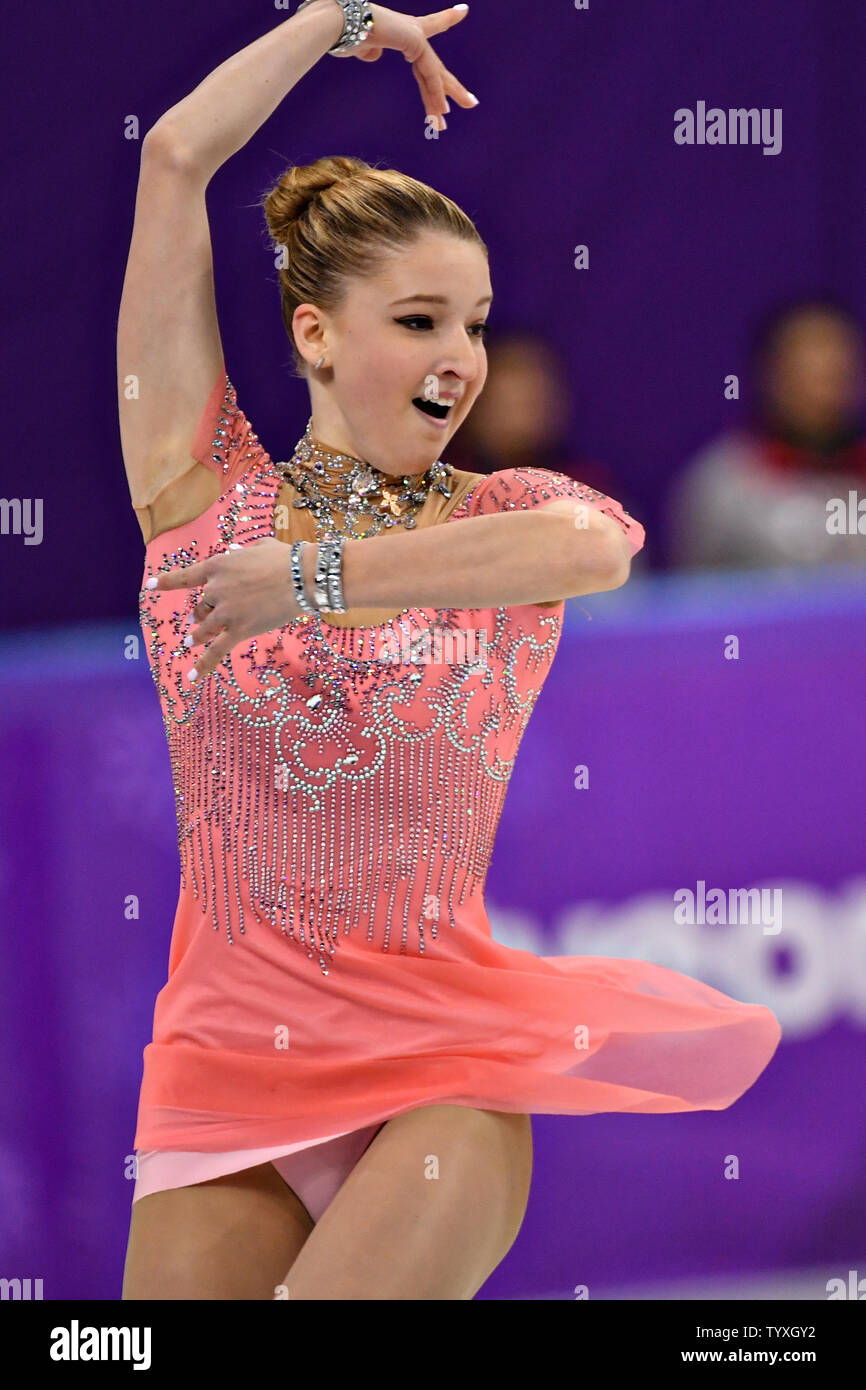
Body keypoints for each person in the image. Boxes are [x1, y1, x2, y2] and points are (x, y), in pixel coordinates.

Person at [118, 0, 781, 1301]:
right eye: (420, 321)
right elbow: (173, 159)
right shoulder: (198, 497)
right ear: (316, 335)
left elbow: (596, 551)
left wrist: (314, 577)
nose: (461, 357)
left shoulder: (507, 518)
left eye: (473, 322)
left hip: (439, 1066)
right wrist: (326, 20)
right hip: (221, 1062)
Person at [667, 297, 866, 569]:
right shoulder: (723, 483)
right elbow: (694, 601)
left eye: (835, 376)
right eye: (807, 375)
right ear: (772, 377)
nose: (823, 395)